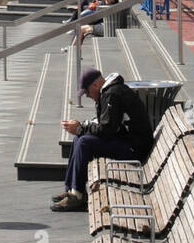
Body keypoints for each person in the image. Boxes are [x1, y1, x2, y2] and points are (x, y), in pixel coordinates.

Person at [50, 69, 154, 213]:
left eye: (87, 92)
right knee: (78, 139)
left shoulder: (112, 94)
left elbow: (107, 129)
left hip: (135, 148)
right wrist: (82, 127)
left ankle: (78, 196)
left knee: (84, 142)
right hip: (127, 141)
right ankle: (72, 190)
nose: (88, 96)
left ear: (95, 86)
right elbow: (105, 123)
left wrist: (80, 128)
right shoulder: (109, 92)